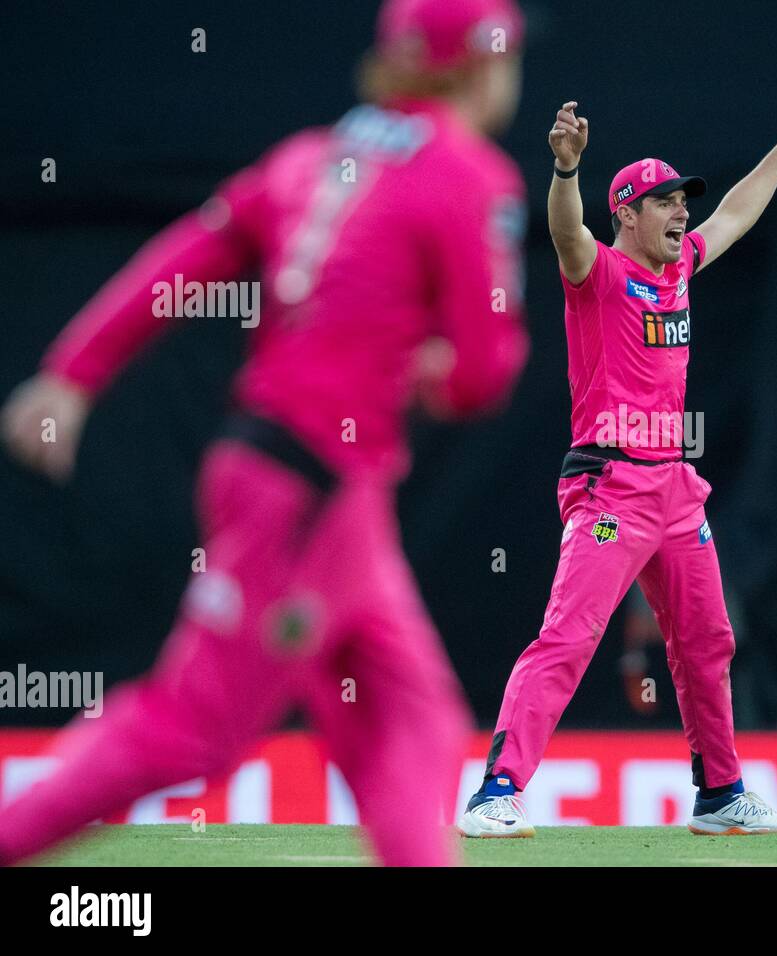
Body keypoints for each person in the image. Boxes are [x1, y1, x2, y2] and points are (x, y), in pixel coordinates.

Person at [0, 0, 528, 867]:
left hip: (303, 477)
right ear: (479, 65)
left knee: (412, 717)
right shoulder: (468, 178)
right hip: (309, 488)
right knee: (191, 728)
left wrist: (72, 372)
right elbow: (484, 374)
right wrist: (424, 369)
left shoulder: (312, 157)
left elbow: (194, 253)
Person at [459, 83, 777, 837]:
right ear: (626, 213)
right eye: (663, 202)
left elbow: (734, 212)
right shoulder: (597, 274)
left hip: (673, 490)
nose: (681, 212)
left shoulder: (677, 271)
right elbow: (567, 236)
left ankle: (721, 794)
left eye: (680, 201)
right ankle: (495, 792)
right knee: (569, 635)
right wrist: (566, 173)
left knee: (708, 642)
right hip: (609, 486)